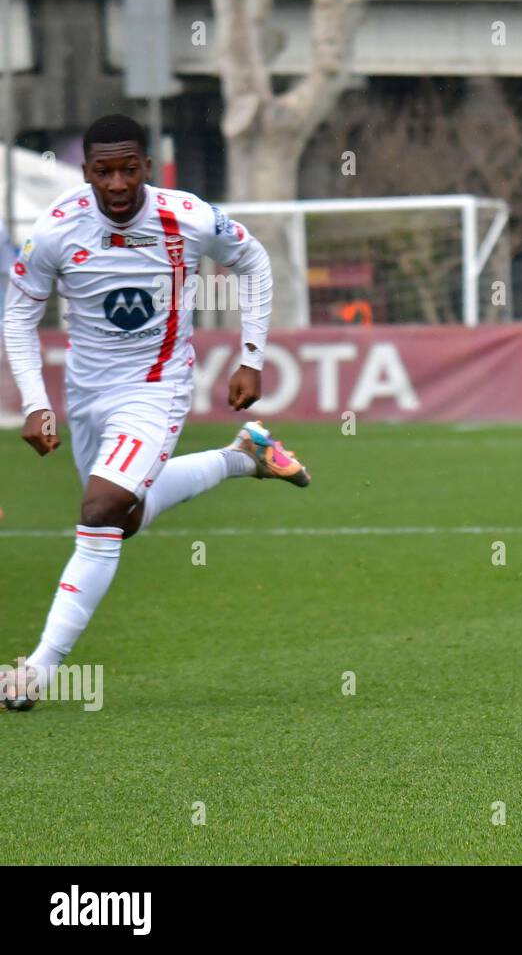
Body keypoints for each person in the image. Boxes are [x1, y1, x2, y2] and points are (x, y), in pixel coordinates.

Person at [1, 114, 311, 711]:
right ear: (87, 171)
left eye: (128, 169)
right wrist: (37, 403)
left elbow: (255, 263)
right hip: (87, 395)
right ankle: (242, 457)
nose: (116, 184)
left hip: (158, 386)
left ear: (147, 165)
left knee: (101, 509)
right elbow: (18, 317)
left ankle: (37, 669)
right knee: (127, 518)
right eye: (102, 171)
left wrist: (251, 357)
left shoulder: (188, 216)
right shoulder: (58, 229)